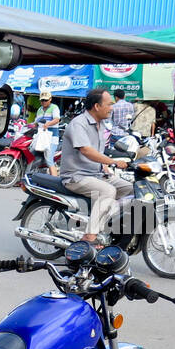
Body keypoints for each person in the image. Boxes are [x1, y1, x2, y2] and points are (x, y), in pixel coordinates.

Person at [61, 88, 133, 245]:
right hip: (76, 176)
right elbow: (86, 150)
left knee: (129, 188)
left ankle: (105, 226)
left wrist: (105, 167)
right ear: (97, 106)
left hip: (95, 175)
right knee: (108, 190)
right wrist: (112, 162)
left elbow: (98, 152)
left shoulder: (101, 125)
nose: (112, 108)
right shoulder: (79, 123)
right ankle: (90, 236)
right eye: (109, 104)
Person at [34, 91, 61, 174]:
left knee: (49, 159)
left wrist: (47, 124)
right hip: (41, 137)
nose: (44, 102)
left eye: (46, 100)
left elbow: (57, 119)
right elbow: (36, 122)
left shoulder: (54, 108)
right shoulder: (39, 109)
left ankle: (54, 180)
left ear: (50, 99)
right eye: (42, 100)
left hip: (52, 137)